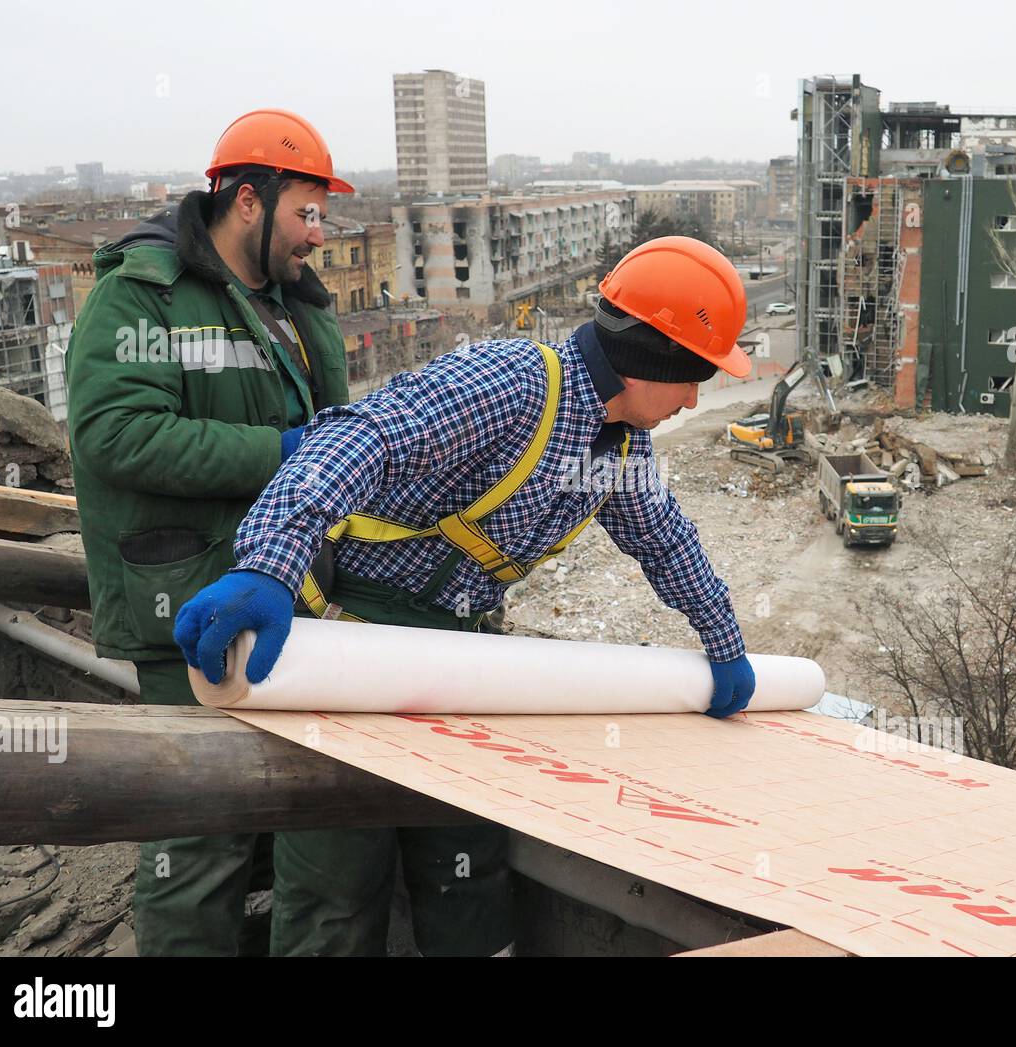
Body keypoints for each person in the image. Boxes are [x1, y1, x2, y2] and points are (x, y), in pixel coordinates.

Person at [175, 235, 759, 957]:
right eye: (694, 374)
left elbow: (665, 543)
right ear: (653, 358)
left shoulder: (620, 448)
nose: (697, 397)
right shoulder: (513, 384)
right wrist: (267, 566)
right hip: (348, 635)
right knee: (337, 870)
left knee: (466, 855)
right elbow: (363, 438)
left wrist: (725, 644)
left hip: (456, 653)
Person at [65, 108, 355, 955]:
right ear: (249, 202)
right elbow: (115, 434)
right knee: (199, 844)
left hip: (289, 599)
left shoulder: (297, 304)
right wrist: (283, 451)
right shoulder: (142, 293)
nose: (318, 233)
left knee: (280, 819)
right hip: (183, 601)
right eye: (306, 211)